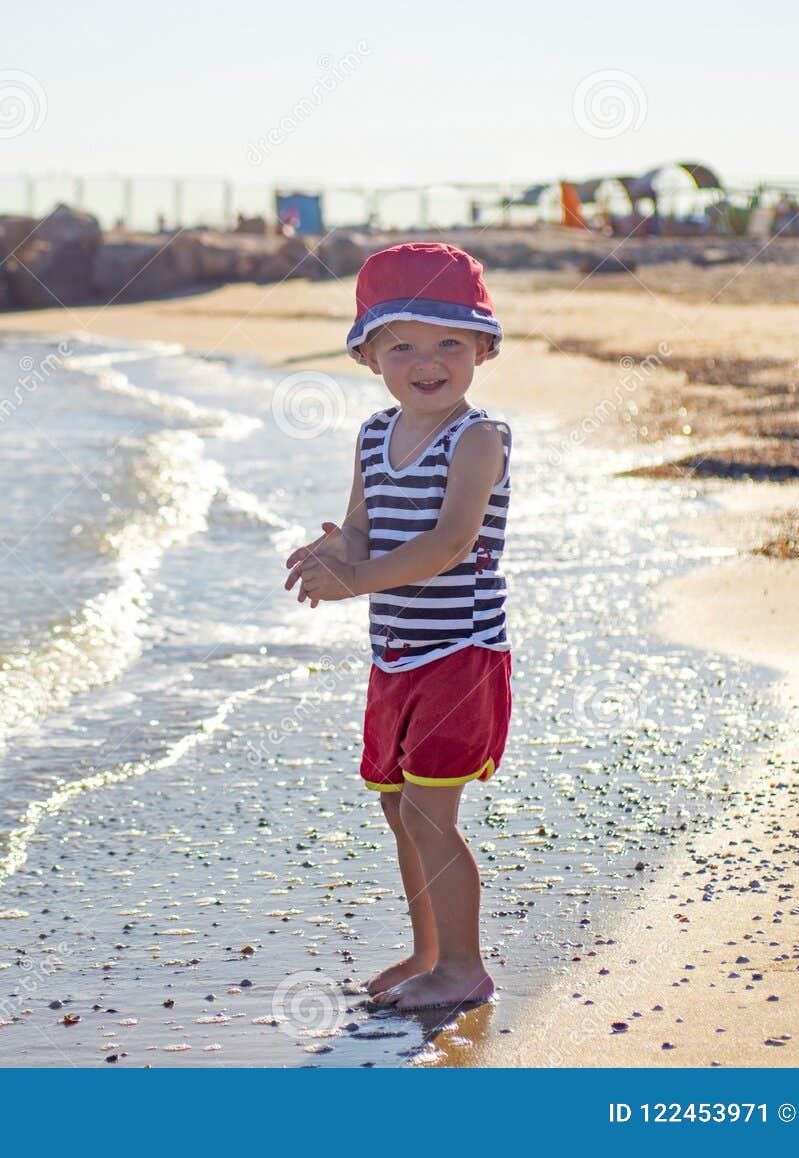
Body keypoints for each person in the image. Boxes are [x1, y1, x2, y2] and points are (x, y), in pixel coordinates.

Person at [283, 242, 513, 1012]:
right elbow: (362, 526)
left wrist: (357, 580)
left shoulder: (478, 439)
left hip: (461, 653)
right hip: (397, 653)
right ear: (369, 354)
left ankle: (465, 967)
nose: (428, 360)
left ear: (483, 346)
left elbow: (450, 543)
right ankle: (429, 952)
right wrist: (333, 552)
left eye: (450, 340)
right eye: (403, 343)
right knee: (395, 803)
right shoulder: (375, 434)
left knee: (427, 807)